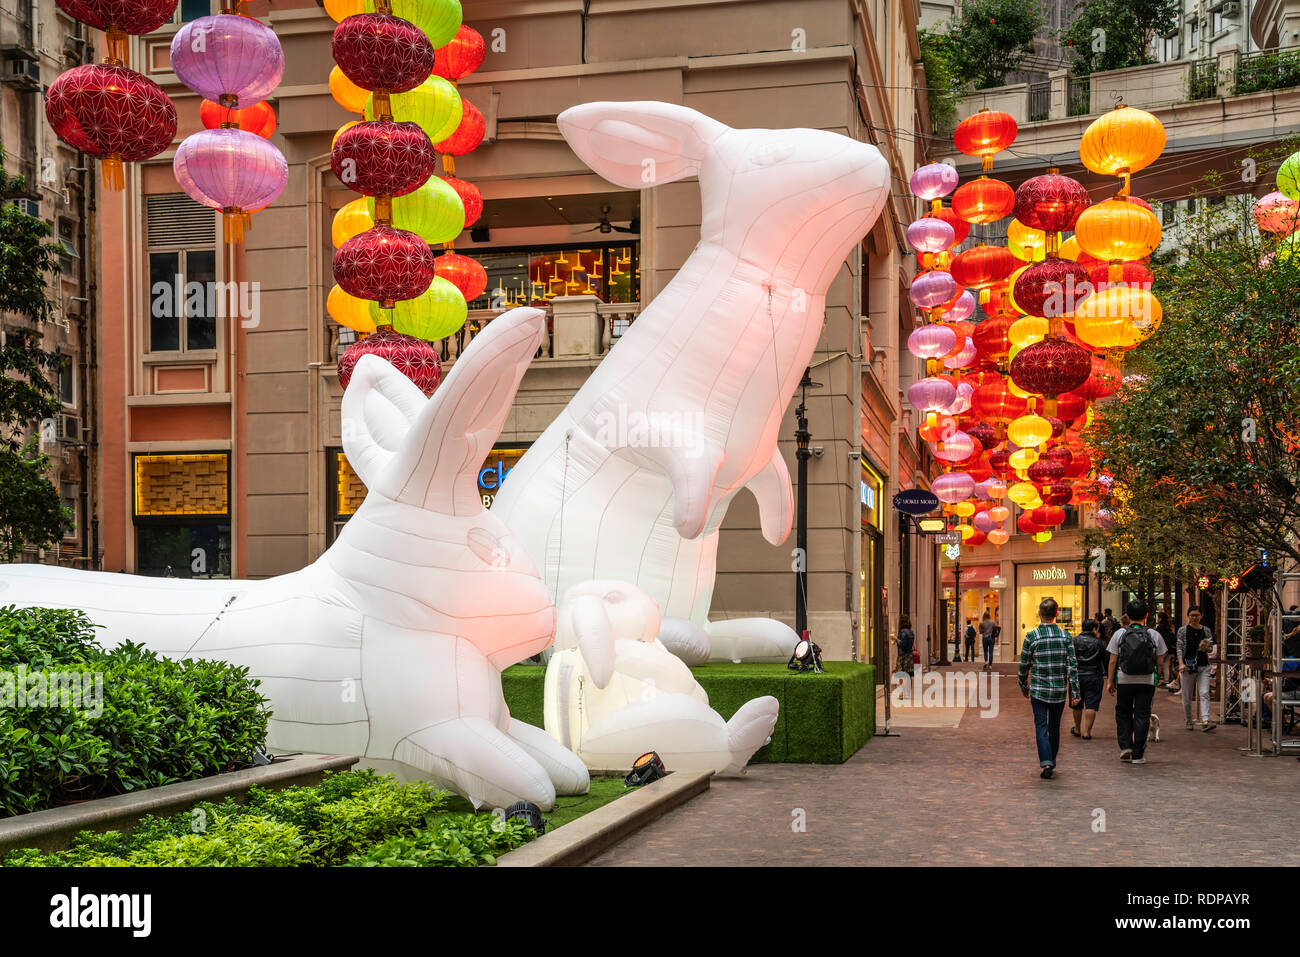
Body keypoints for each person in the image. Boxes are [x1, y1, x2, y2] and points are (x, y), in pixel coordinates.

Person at [1018, 597, 1081, 780]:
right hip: (1059, 690)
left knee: (1041, 725)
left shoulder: (1032, 637)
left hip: (1039, 689)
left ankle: (1046, 761)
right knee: (1055, 726)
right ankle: (1051, 760)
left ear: (1039, 613)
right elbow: (1072, 666)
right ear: (1057, 614)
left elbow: (1024, 665)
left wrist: (1023, 685)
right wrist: (1075, 693)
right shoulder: (1066, 637)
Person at [1106, 599, 1167, 765]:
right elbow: (1160, 660)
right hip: (1147, 680)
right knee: (1142, 714)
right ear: (1146, 615)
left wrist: (1110, 681)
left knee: (1123, 712)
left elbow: (1112, 660)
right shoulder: (1154, 634)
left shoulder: (1119, 634)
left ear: (1127, 615)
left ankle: (1126, 746)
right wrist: (1157, 676)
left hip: (1124, 679)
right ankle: (1138, 754)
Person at [1176, 608, 1217, 731]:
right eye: (1192, 615)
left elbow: (1210, 649)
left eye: (1197, 615)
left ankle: (1205, 720)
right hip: (1187, 667)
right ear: (1188, 616)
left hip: (1203, 666)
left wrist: (1206, 648)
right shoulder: (1183, 630)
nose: (1194, 618)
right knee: (1187, 695)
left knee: (1204, 693)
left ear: (1201, 616)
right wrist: (1181, 664)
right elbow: (1179, 647)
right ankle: (1188, 719)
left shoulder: (1206, 630)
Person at [1070, 619, 1107, 740]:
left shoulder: (1074, 641)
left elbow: (1069, 657)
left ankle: (1077, 728)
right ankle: (1087, 732)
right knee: (1091, 704)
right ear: (1094, 629)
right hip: (1094, 675)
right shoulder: (1099, 642)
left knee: (1077, 702)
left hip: (1077, 675)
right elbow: (1105, 659)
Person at [1155, 611, 1176, 690]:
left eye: (1158, 617)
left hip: (1162, 649)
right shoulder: (1168, 627)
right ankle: (1166, 680)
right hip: (1169, 649)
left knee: (1160, 664)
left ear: (1160, 619)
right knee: (1166, 664)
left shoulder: (1160, 628)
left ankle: (1158, 679)